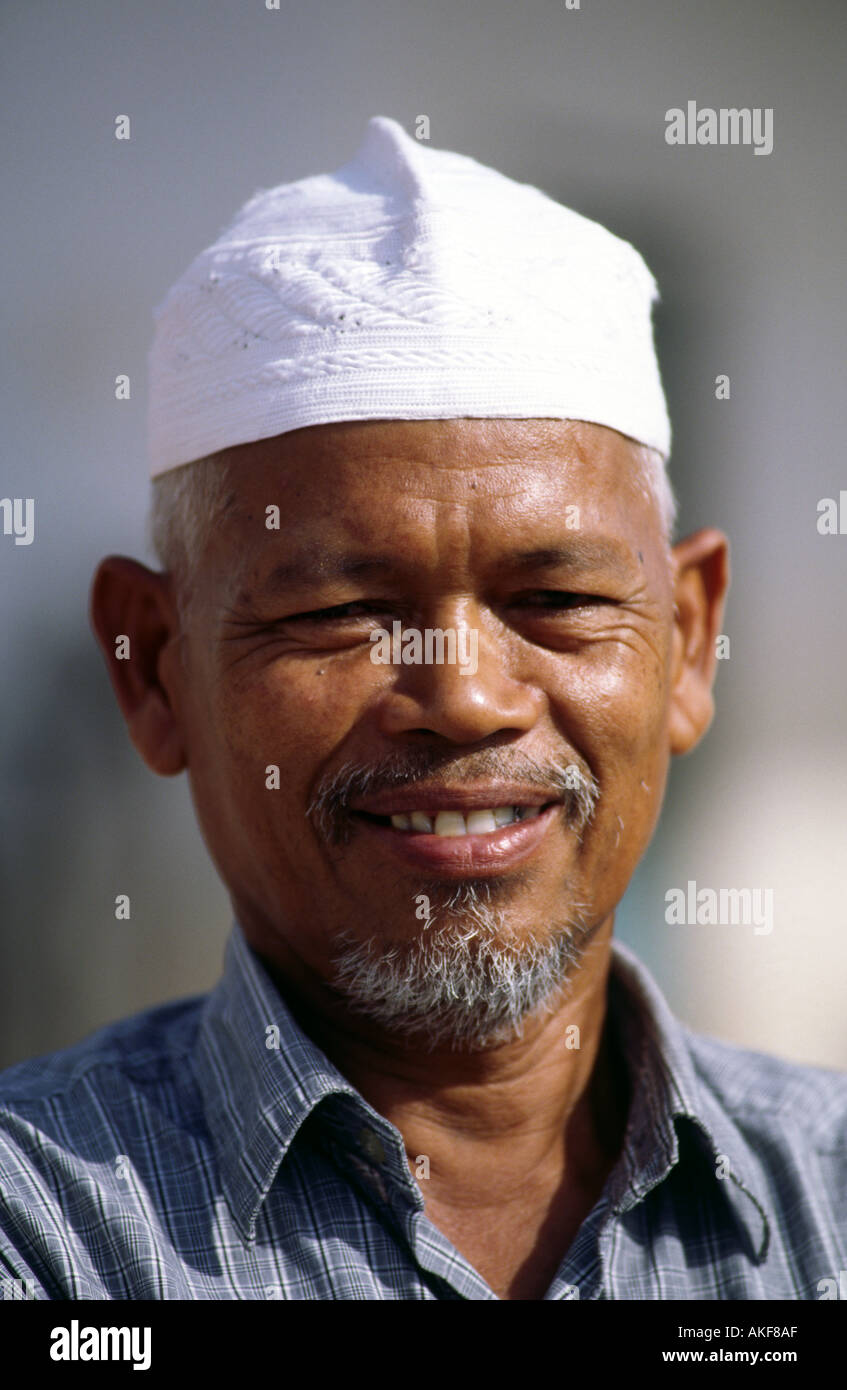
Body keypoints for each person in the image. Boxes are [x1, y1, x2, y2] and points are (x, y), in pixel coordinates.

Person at [0, 116, 844, 1302]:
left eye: (552, 597)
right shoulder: (43, 1234)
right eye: (341, 610)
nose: (463, 694)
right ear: (152, 668)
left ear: (691, 640)